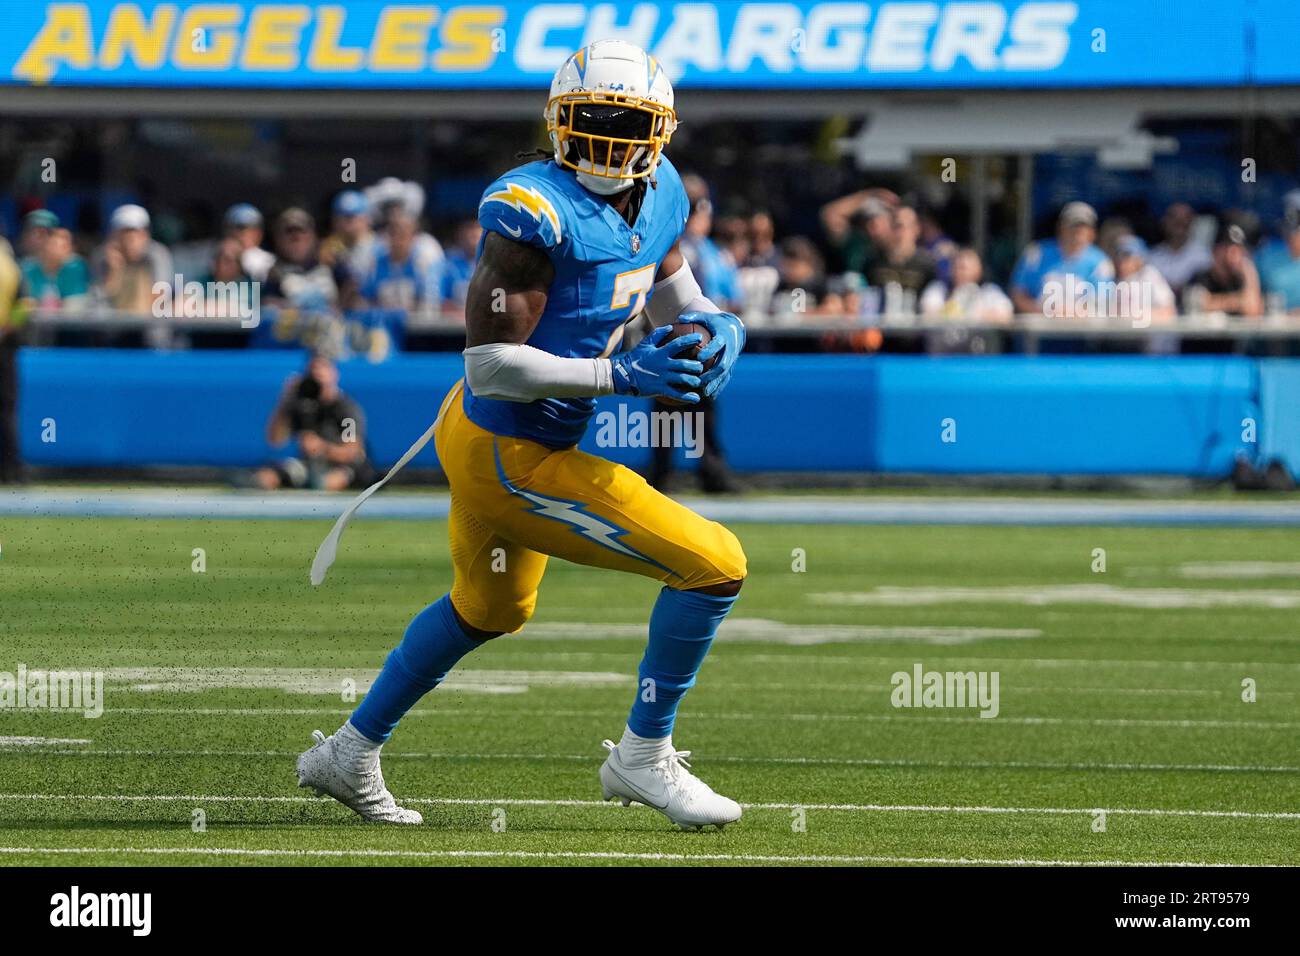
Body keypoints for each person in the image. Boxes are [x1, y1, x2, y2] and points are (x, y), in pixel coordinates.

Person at [298, 39, 748, 831]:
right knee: (714, 564)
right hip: (508, 448)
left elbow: (677, 293)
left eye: (628, 121)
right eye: (594, 118)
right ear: (558, 121)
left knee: (490, 606)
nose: (610, 137)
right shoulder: (532, 213)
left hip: (517, 441)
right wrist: (621, 377)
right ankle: (642, 759)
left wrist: (719, 326)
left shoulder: (663, 190)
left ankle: (349, 750)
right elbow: (491, 367)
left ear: (661, 132)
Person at [253, 354, 374, 491]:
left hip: (343, 467)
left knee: (326, 482)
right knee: (267, 477)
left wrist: (321, 447)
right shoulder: (303, 406)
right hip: (310, 465)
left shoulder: (346, 409)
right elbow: (275, 440)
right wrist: (285, 400)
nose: (318, 379)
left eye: (322, 374)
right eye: (313, 374)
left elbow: (351, 452)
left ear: (333, 375)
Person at [1010, 201, 1114, 315]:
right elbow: (1018, 294)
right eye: (1072, 226)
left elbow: (1104, 302)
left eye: (1083, 227)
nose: (1077, 233)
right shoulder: (1037, 254)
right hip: (1040, 328)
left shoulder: (1101, 262)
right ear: (1061, 228)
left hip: (1083, 330)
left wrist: (1071, 313)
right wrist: (1045, 312)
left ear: (1092, 233)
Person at [357, 208, 442, 319]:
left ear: (413, 237)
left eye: (403, 235)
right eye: (393, 234)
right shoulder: (375, 264)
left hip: (415, 327)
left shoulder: (422, 264)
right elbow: (363, 300)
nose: (397, 240)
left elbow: (430, 303)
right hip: (382, 327)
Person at [91, 203, 173, 314]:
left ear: (145, 234)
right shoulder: (102, 256)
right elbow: (99, 300)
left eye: (137, 234)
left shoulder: (158, 254)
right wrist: (114, 271)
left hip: (150, 323)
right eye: (125, 234)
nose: (132, 240)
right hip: (112, 324)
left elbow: (161, 298)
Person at [1184, 220, 1262, 318]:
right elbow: (1198, 305)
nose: (1233, 255)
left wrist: (1250, 274)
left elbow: (1253, 312)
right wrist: (1239, 301)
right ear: (1216, 250)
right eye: (1227, 248)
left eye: (1238, 249)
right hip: (1205, 333)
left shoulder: (1241, 279)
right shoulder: (1201, 277)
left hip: (1235, 333)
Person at [0, 241, 25, 483]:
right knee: (7, 409)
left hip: (4, 346)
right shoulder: (9, 264)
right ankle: (12, 469)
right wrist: (7, 329)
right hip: (4, 345)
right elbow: (25, 305)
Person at [1148, 202, 1211, 295]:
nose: (1180, 222)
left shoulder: (1204, 256)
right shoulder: (1152, 257)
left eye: (1185, 218)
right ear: (1164, 222)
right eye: (1174, 218)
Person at [20, 226, 90, 310]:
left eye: (65, 246)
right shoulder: (29, 268)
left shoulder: (75, 267)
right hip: (33, 320)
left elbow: (76, 303)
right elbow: (25, 301)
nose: (59, 250)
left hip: (67, 320)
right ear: (45, 245)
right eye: (54, 244)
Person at [319, 190, 376, 281]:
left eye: (351, 218)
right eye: (340, 218)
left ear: (366, 219)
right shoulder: (330, 247)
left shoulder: (380, 247)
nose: (345, 223)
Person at [439, 217, 482, 317]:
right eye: (469, 228)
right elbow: (440, 302)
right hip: (453, 327)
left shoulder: (494, 265)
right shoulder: (447, 264)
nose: (474, 234)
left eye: (477, 228)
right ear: (460, 234)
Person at [224, 203, 275, 282]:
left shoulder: (270, 261)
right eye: (233, 228)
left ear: (259, 233)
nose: (237, 234)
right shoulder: (215, 257)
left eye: (242, 228)